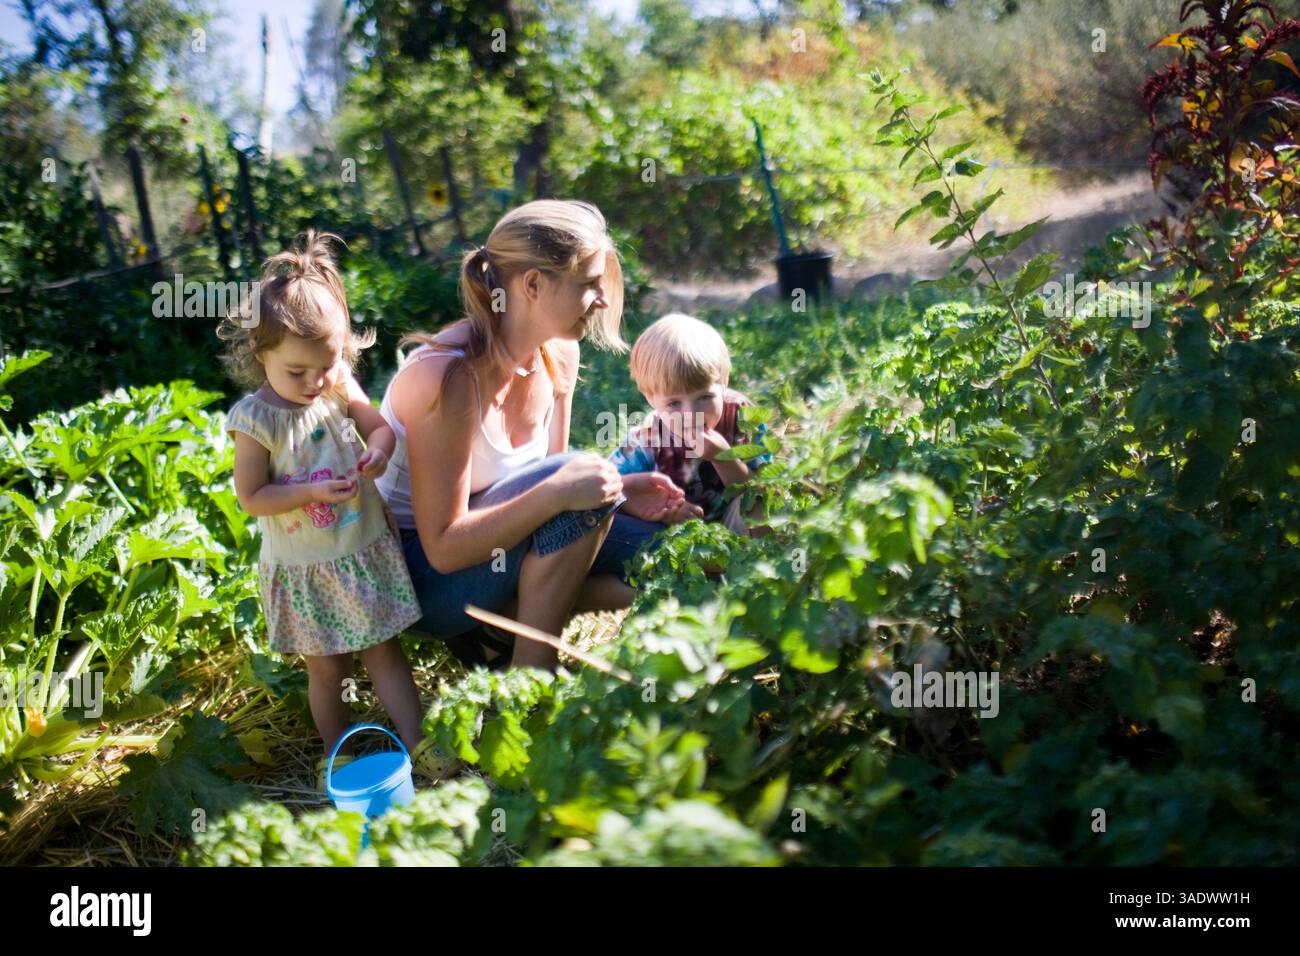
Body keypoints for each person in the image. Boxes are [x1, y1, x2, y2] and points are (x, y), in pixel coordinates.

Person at [375, 200, 686, 671]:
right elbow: (442, 547)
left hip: (500, 546)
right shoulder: (447, 378)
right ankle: (530, 677)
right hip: (420, 582)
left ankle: (502, 628)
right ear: (534, 284)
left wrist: (617, 491)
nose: (601, 300)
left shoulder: (558, 353)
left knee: (681, 557)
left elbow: (558, 518)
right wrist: (564, 489)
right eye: (588, 285)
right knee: (574, 478)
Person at [219, 230, 461, 788]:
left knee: (385, 653)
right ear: (261, 355)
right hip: (308, 568)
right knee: (326, 671)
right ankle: (340, 755)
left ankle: (419, 740)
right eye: (296, 372)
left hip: (361, 549)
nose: (314, 382)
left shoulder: (336, 385)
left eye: (325, 366)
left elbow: (377, 426)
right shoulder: (256, 421)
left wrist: (378, 451)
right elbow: (251, 497)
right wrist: (307, 492)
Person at [608, 312, 771, 535]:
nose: (691, 413)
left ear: (723, 384)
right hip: (679, 542)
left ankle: (754, 565)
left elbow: (765, 485)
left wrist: (725, 460)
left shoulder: (743, 419)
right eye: (674, 403)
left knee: (760, 500)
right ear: (650, 398)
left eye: (704, 397)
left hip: (738, 533)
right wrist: (664, 510)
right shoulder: (648, 440)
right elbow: (607, 488)